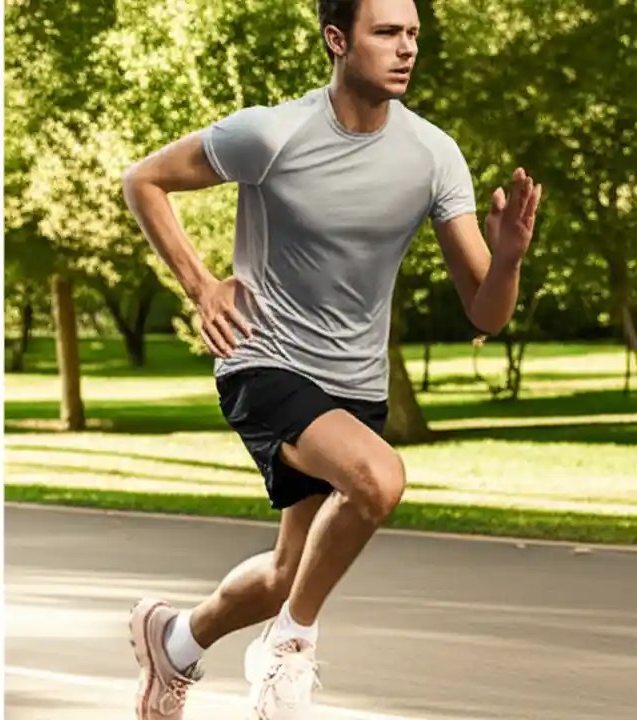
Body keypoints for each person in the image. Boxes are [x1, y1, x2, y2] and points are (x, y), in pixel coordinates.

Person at [120, 0, 541, 717]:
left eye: (412, 33)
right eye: (387, 33)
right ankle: (289, 650)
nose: (406, 48)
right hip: (265, 362)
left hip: (354, 384)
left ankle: (177, 642)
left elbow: (485, 313)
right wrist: (200, 285)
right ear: (337, 39)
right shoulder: (269, 133)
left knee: (289, 572)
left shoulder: (434, 154)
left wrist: (506, 262)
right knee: (378, 479)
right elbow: (144, 180)